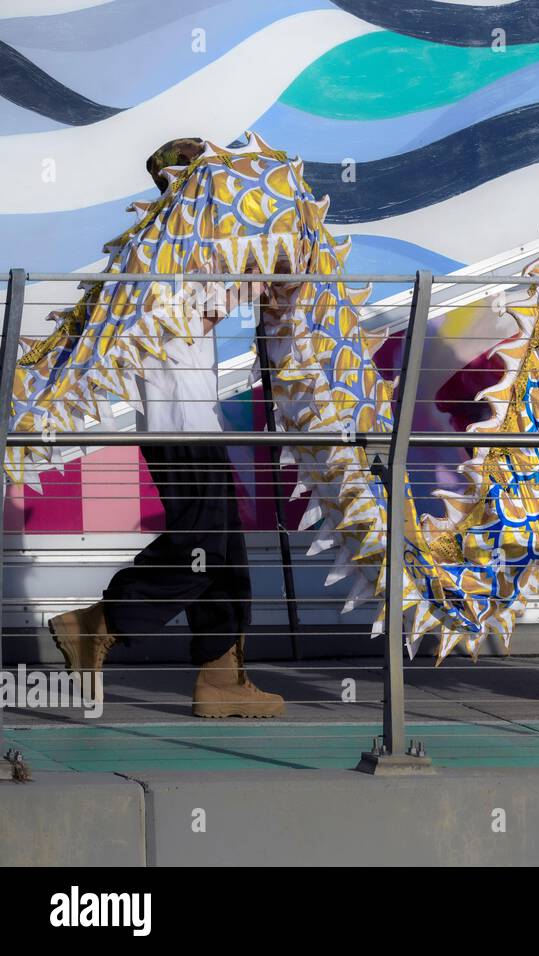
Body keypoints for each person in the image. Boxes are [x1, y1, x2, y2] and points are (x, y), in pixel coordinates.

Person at [46, 138, 285, 718]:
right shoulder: (161, 251)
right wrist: (255, 278)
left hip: (196, 423)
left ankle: (221, 679)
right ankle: (98, 622)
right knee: (201, 542)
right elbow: (196, 308)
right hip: (179, 429)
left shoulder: (181, 244)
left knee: (224, 550)